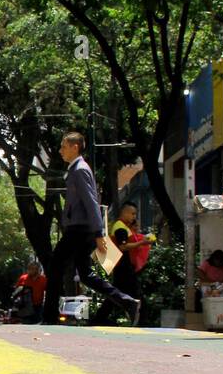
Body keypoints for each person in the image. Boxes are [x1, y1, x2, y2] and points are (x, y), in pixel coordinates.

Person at [41, 132, 141, 326]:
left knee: (54, 267)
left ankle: (49, 317)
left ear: (74, 147)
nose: (61, 150)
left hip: (80, 229)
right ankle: (128, 303)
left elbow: (91, 201)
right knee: (85, 274)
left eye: (64, 146)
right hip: (82, 229)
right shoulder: (76, 169)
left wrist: (98, 234)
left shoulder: (79, 170)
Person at [94, 201, 155, 325]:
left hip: (122, 266)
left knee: (115, 295)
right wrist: (142, 243)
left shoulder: (122, 227)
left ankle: (98, 319)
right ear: (125, 212)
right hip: (123, 267)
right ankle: (143, 321)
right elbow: (123, 246)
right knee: (136, 294)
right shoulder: (120, 227)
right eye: (132, 214)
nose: (134, 217)